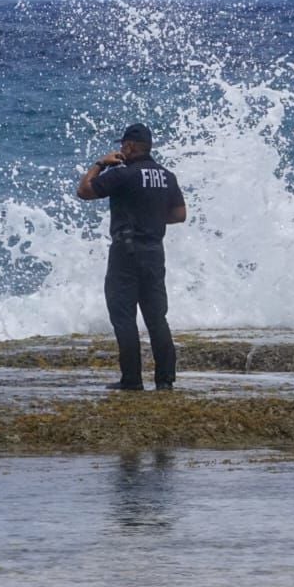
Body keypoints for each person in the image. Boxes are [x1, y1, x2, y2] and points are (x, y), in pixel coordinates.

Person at [77, 123, 186, 391]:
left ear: (128, 146)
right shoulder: (167, 176)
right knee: (156, 317)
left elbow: (85, 191)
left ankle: (132, 379)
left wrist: (100, 163)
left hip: (125, 252)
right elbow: (180, 215)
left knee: (123, 316)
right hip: (154, 251)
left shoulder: (122, 174)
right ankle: (165, 380)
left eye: (122, 145)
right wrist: (151, 219)